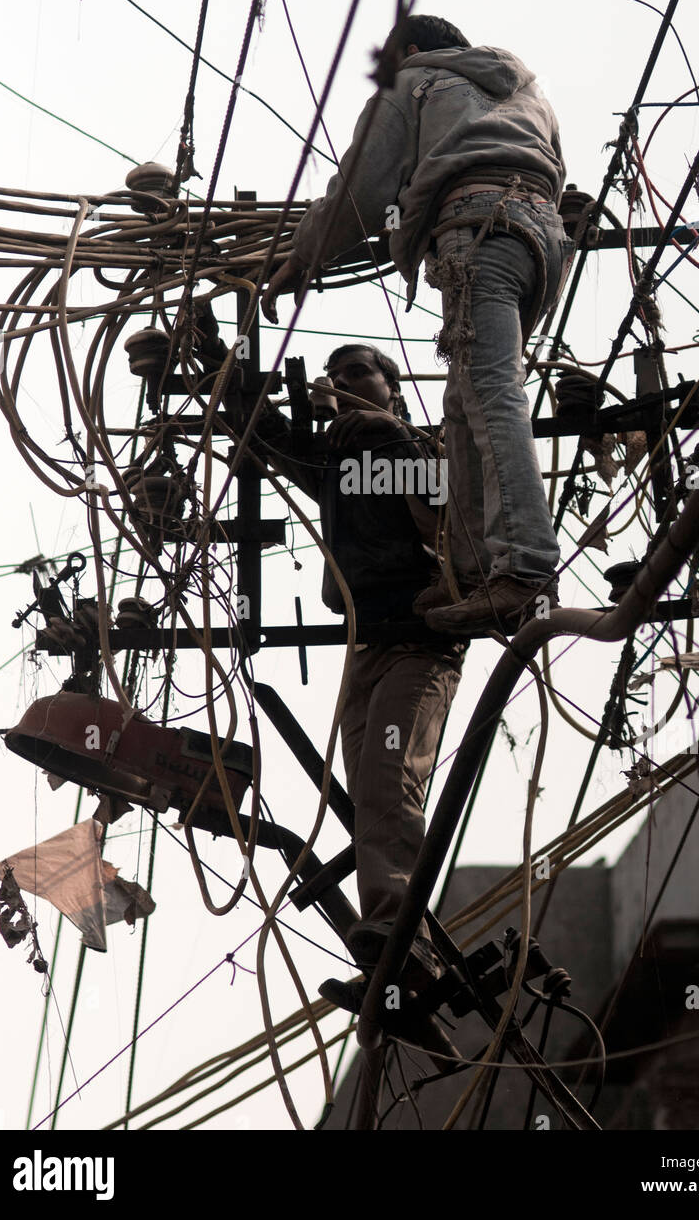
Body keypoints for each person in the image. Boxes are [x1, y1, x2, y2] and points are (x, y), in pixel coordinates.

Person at [262, 14, 573, 637]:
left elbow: (361, 189)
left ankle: (527, 566)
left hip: (477, 233)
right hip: (541, 242)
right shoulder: (524, 91)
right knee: (463, 404)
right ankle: (471, 570)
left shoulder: (414, 84)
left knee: (488, 394)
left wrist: (303, 256)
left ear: (408, 51)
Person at [252, 343, 466, 1003]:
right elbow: (270, 440)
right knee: (367, 795)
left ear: (390, 386)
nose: (343, 384)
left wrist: (392, 436)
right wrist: (224, 373)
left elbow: (451, 525)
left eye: (358, 373)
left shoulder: (413, 451)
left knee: (384, 779)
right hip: (366, 644)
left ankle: (397, 933)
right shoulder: (339, 466)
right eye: (336, 376)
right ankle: (396, 954)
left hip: (420, 639)